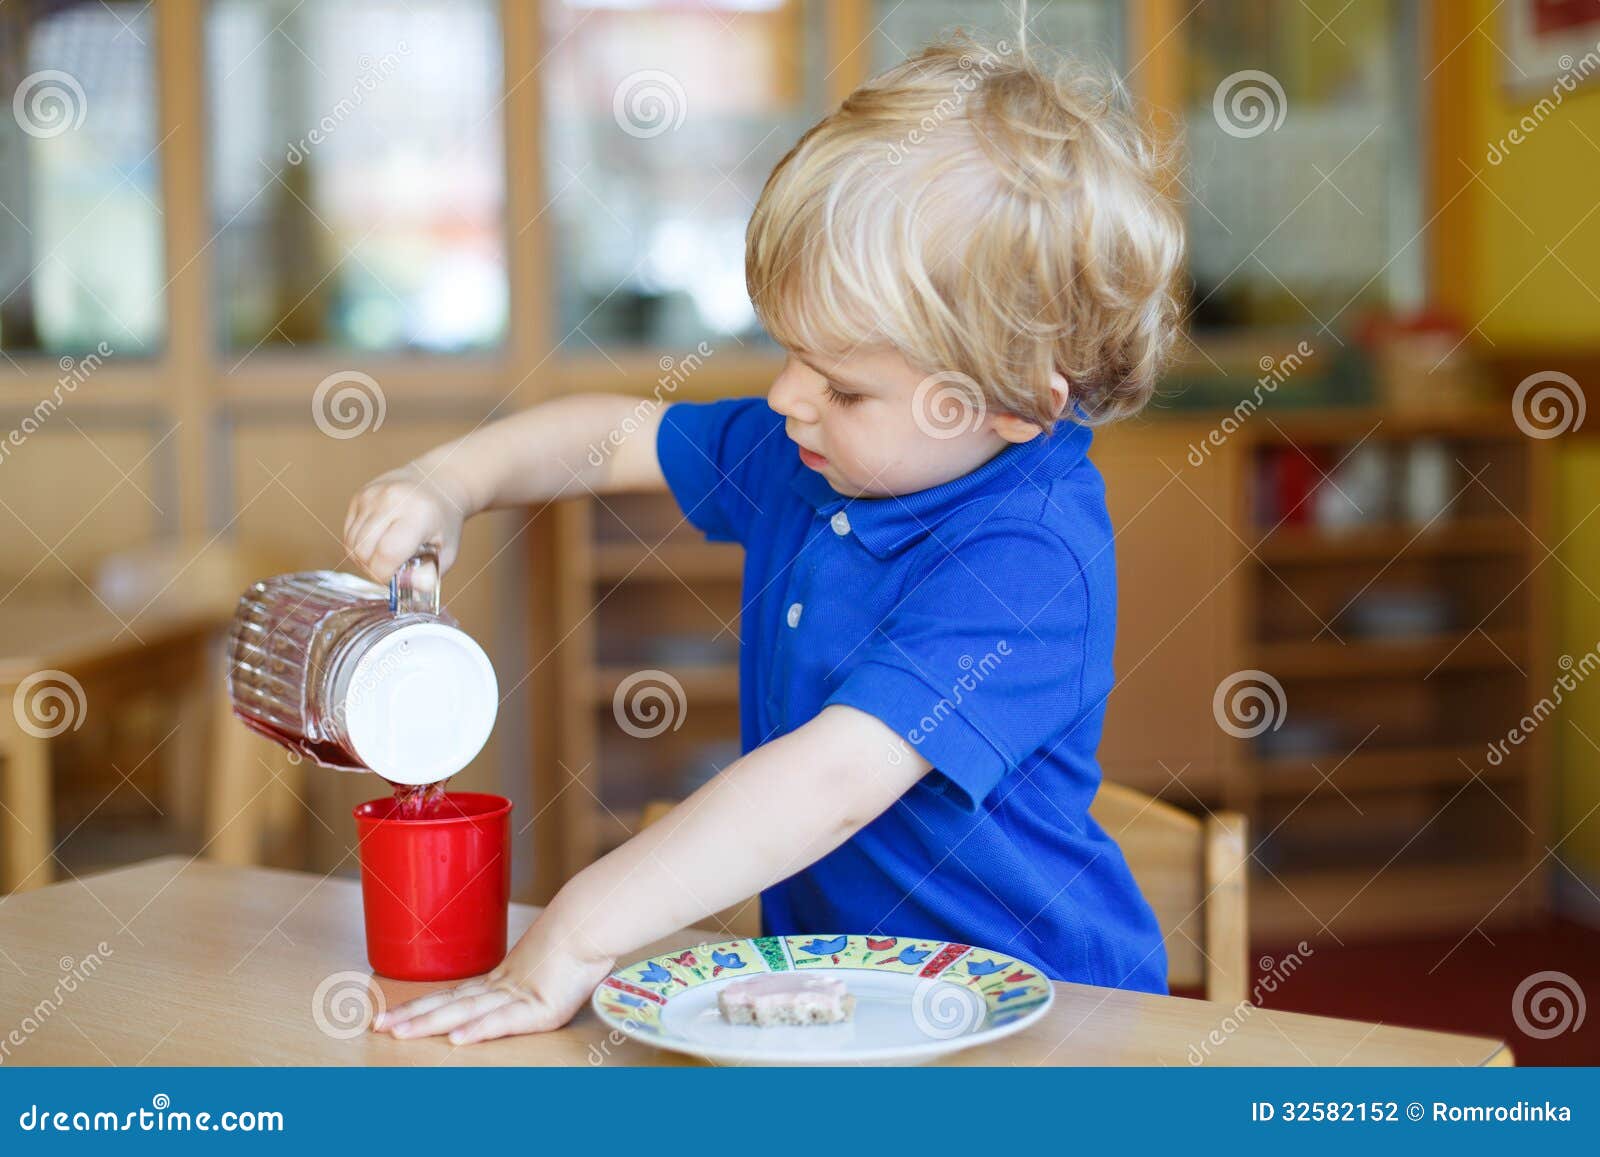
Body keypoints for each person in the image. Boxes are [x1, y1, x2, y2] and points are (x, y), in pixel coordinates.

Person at [348, 32, 1185, 1045]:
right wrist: (451, 480)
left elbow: (827, 783)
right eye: (789, 352)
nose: (788, 397)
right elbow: (613, 433)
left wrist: (576, 927)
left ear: (1011, 406)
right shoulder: (824, 451)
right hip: (857, 1010)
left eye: (842, 382)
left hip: (1051, 1028)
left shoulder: (1029, 556)